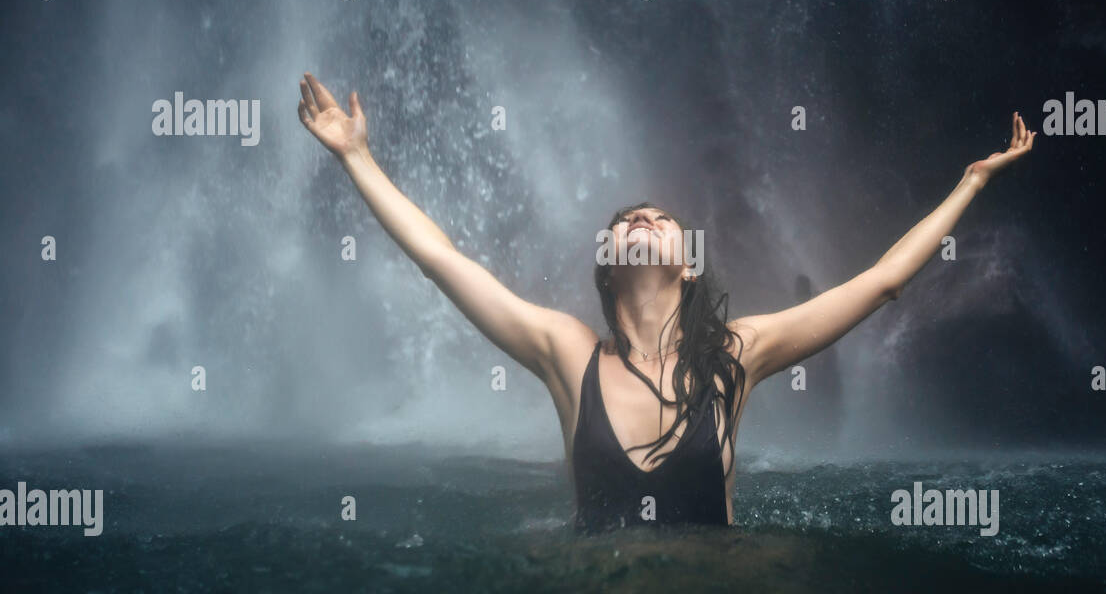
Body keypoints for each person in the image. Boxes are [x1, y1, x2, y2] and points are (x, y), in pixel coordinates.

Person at [297, 73, 1035, 532]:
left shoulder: (737, 356)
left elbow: (880, 281)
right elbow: (441, 260)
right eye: (627, 220)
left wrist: (971, 182)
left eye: (662, 220)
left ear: (687, 266)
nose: (643, 220)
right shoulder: (565, 351)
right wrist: (358, 158)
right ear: (609, 263)